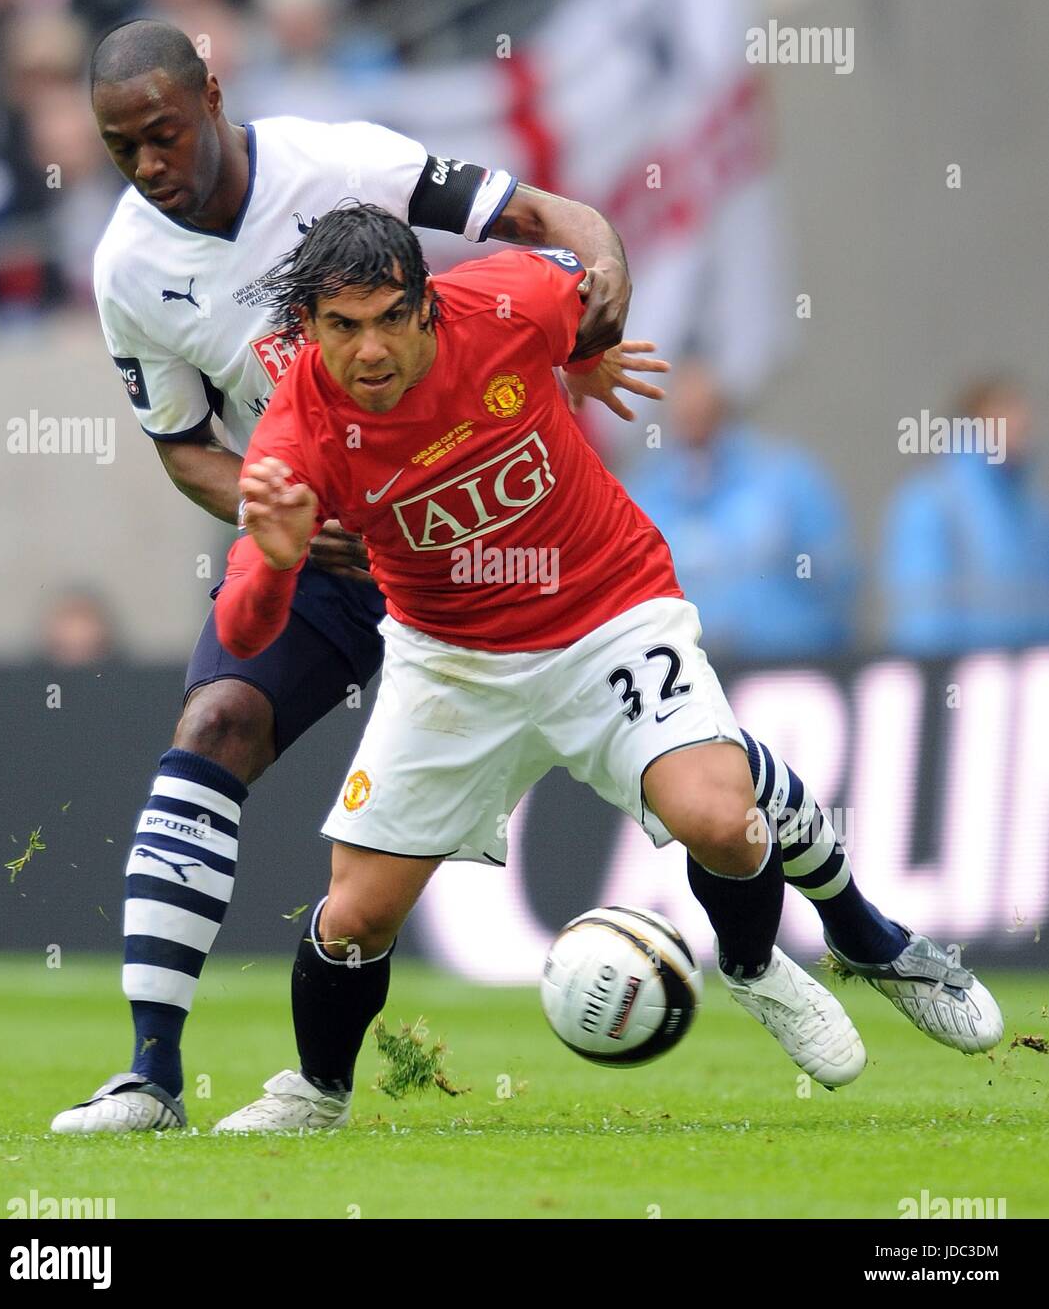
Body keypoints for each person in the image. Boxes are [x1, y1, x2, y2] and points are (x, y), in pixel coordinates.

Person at [203, 206, 1002, 1133]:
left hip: (608, 615)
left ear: (430, 306)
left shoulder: (509, 302)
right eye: (343, 328)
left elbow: (590, 256)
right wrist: (276, 552)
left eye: (390, 317)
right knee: (353, 921)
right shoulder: (295, 436)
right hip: (451, 665)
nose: (370, 349)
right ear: (309, 331)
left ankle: (751, 969)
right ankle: (317, 1091)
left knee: (720, 820)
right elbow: (247, 628)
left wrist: (584, 348)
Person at [49, 17, 656, 1135]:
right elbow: (183, 448)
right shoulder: (128, 268)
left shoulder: (342, 165)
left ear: (214, 97)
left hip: (459, 528)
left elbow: (539, 218)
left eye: (165, 135)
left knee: (665, 763)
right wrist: (272, 507)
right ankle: (148, 1073)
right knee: (215, 721)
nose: (148, 167)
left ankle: (817, 946)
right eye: (119, 145)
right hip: (325, 552)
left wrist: (606, 272)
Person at [627, 357, 856, 660]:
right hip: (688, 679)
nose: (695, 421)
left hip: (787, 668)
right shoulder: (646, 495)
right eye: (685, 415)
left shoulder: (785, 479)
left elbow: (839, 577)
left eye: (705, 412)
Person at [882, 374, 1049, 655]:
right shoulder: (933, 502)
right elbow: (921, 611)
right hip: (960, 678)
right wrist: (933, 678)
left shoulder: (1032, 511)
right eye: (1006, 415)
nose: (1021, 426)